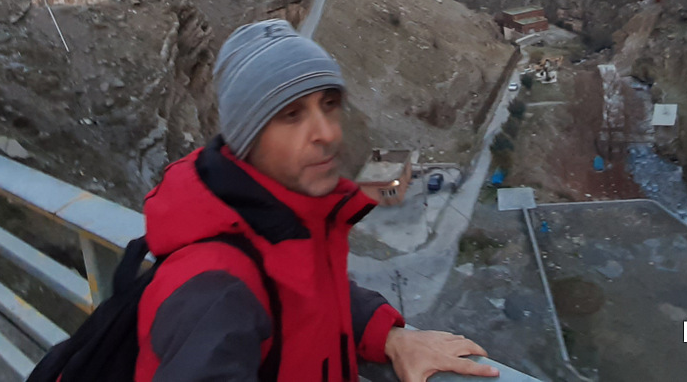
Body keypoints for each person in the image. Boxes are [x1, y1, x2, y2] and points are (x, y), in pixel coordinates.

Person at [137, 19, 499, 382]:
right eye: (291, 115)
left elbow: (301, 296)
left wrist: (387, 335)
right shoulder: (214, 291)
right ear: (246, 140)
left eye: (328, 105)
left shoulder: (281, 225)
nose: (326, 133)